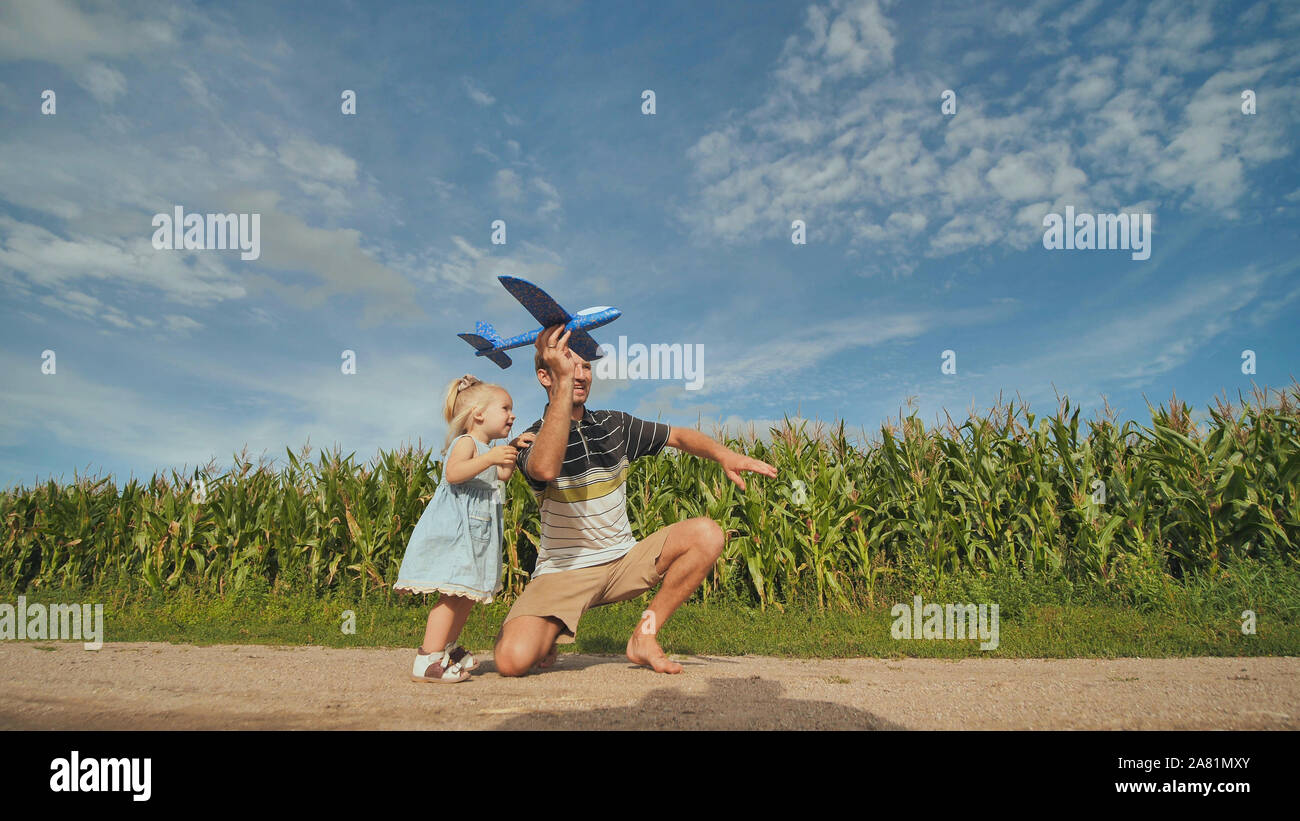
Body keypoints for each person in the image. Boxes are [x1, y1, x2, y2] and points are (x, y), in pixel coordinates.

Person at [492, 325, 777, 676]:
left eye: (585, 368)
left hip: (623, 561)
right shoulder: (529, 439)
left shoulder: (616, 425)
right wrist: (563, 385)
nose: (579, 375)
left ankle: (644, 636)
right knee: (511, 661)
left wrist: (723, 455)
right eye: (568, 366)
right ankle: (544, 632)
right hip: (564, 572)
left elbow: (680, 436)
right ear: (545, 376)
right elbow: (546, 468)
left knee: (707, 534)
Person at [393, 374, 533, 683]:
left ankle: (448, 648)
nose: (512, 415)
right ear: (479, 414)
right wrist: (492, 457)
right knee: (451, 595)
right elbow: (454, 473)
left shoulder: (489, 448)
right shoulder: (466, 442)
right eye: (506, 408)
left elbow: (503, 476)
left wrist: (510, 449)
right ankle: (427, 658)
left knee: (467, 595)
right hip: (458, 533)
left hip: (480, 535)